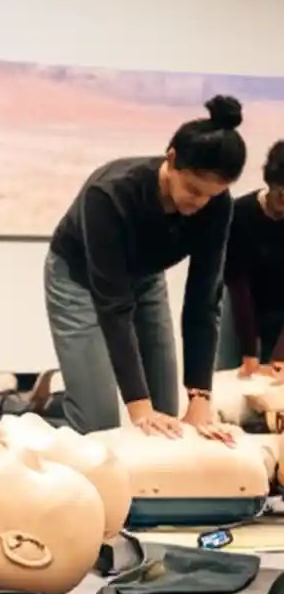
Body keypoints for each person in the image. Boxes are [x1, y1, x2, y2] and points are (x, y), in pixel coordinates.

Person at [44, 95, 245, 441]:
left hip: (146, 278)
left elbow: (203, 300)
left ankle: (81, 392)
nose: (199, 204)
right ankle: (25, 406)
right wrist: (138, 407)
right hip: (78, 280)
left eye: (211, 195)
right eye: (193, 190)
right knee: (100, 425)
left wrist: (199, 398)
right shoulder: (109, 194)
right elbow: (113, 305)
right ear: (172, 160)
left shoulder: (216, 206)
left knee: (166, 420)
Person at [218, 140, 284, 381]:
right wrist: (249, 351)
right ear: (270, 183)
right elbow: (237, 281)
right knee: (231, 377)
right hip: (242, 302)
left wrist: (279, 358)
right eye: (282, 194)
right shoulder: (240, 213)